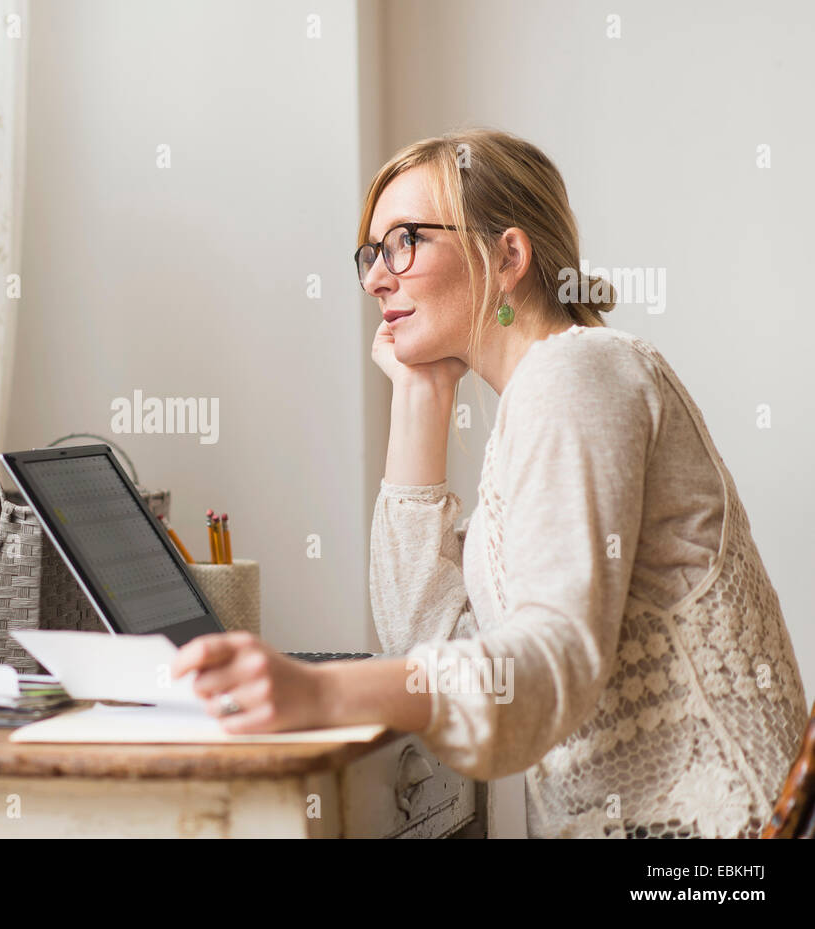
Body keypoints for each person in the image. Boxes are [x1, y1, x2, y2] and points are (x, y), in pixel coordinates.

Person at [170, 128, 809, 838]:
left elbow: (550, 659)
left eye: (406, 240)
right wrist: (422, 398)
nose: (378, 277)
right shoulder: (536, 403)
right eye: (372, 254)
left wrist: (323, 690)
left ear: (507, 255)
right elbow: (430, 637)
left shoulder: (580, 373)